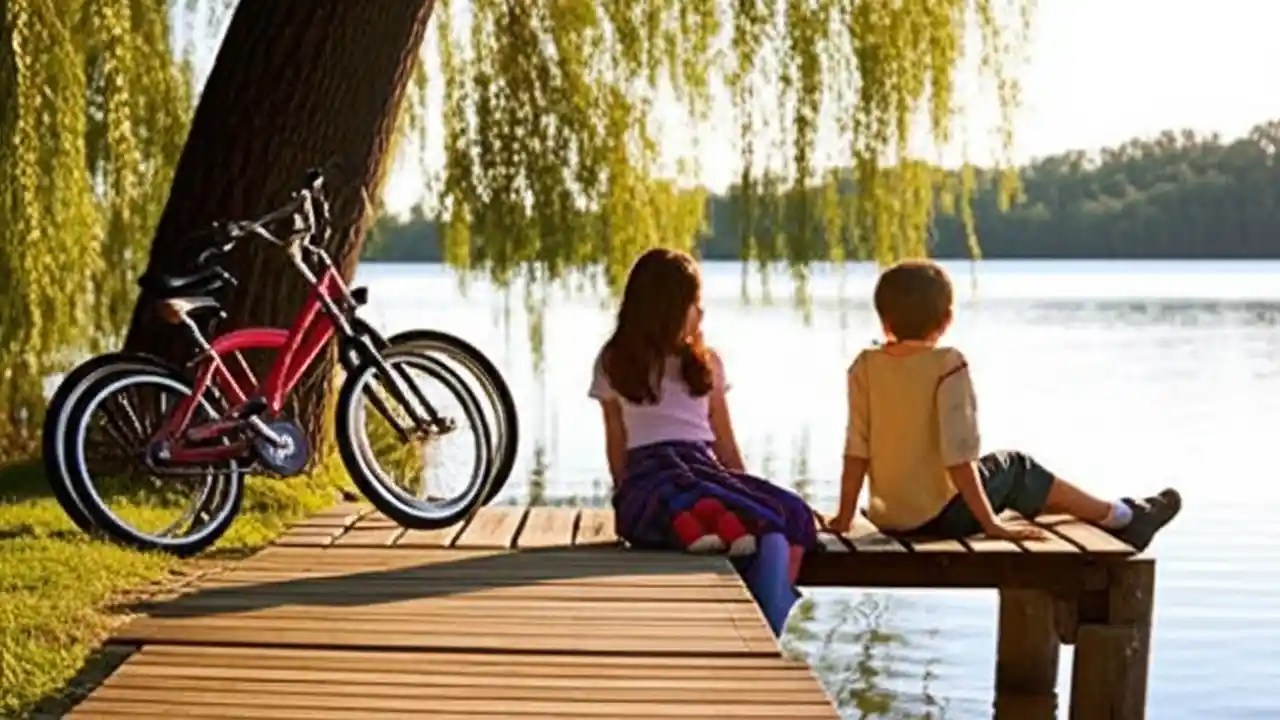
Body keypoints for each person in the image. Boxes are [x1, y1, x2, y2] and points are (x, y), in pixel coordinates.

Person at [828, 259, 1181, 551]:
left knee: (1021, 484)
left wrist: (845, 517)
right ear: (947, 318)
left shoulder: (865, 366)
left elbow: (856, 448)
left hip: (890, 518)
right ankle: (1122, 517)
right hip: (943, 517)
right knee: (1017, 469)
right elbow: (958, 457)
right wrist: (992, 524)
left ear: (884, 321)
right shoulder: (948, 365)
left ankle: (1122, 515)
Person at [588, 247, 818, 635]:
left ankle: (768, 616)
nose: (702, 313)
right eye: (695, 303)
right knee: (718, 514)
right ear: (668, 309)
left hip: (697, 470)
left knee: (787, 512)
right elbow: (619, 442)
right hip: (656, 475)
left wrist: (744, 488)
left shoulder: (703, 362)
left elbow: (721, 442)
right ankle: (765, 622)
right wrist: (626, 493)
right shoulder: (615, 361)